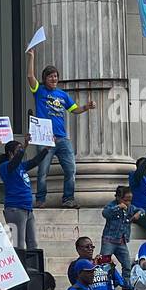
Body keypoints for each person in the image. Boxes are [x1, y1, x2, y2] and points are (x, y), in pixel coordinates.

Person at [26, 52, 96, 209]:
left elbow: (74, 109)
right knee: (43, 171)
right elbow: (30, 76)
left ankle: (68, 199)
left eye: (56, 76)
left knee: (71, 169)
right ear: (45, 79)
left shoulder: (62, 94)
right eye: (50, 76)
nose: (54, 79)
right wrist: (31, 57)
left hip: (62, 138)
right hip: (45, 138)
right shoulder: (40, 91)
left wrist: (86, 107)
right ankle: (40, 200)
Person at [0, 138, 42, 249]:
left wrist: (47, 149)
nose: (21, 152)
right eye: (18, 150)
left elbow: (35, 161)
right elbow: (15, 161)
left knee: (33, 244)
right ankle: (20, 265)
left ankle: (32, 266)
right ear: (10, 153)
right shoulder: (5, 166)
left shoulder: (21, 166)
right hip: (15, 208)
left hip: (27, 209)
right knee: (19, 244)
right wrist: (25, 146)